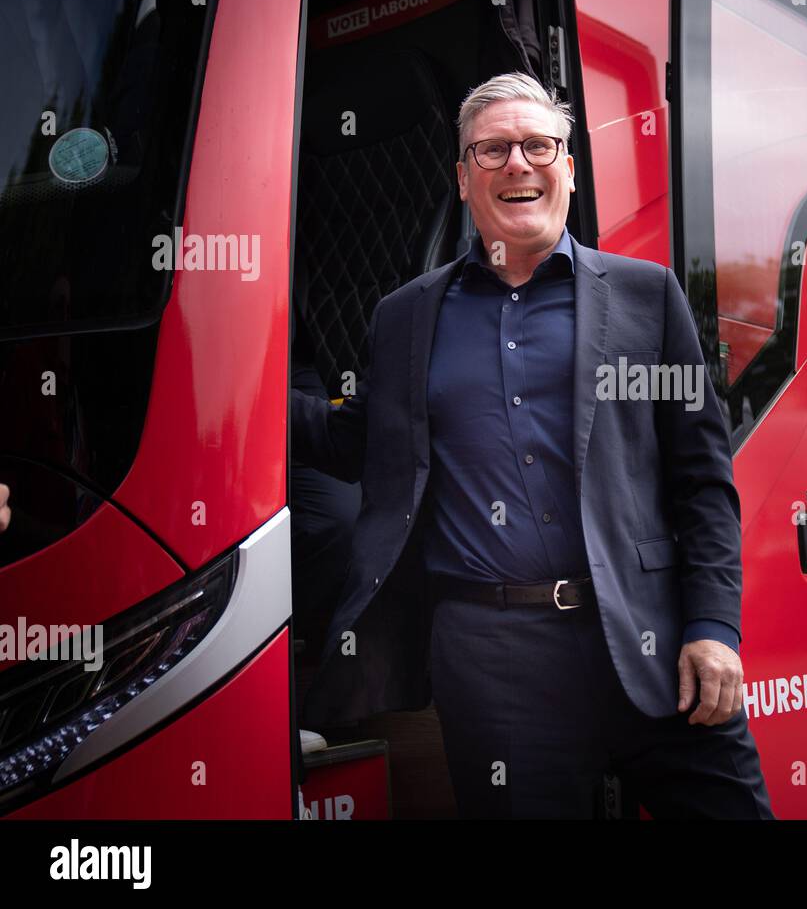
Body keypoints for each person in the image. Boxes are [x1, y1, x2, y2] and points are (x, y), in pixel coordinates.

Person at [292, 72, 773, 819]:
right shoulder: (405, 319)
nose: (517, 163)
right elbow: (364, 443)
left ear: (570, 169)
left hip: (655, 640)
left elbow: (701, 481)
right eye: (491, 150)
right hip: (493, 664)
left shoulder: (649, 299)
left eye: (537, 145)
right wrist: (238, 398)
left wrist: (713, 627)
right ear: (462, 177)